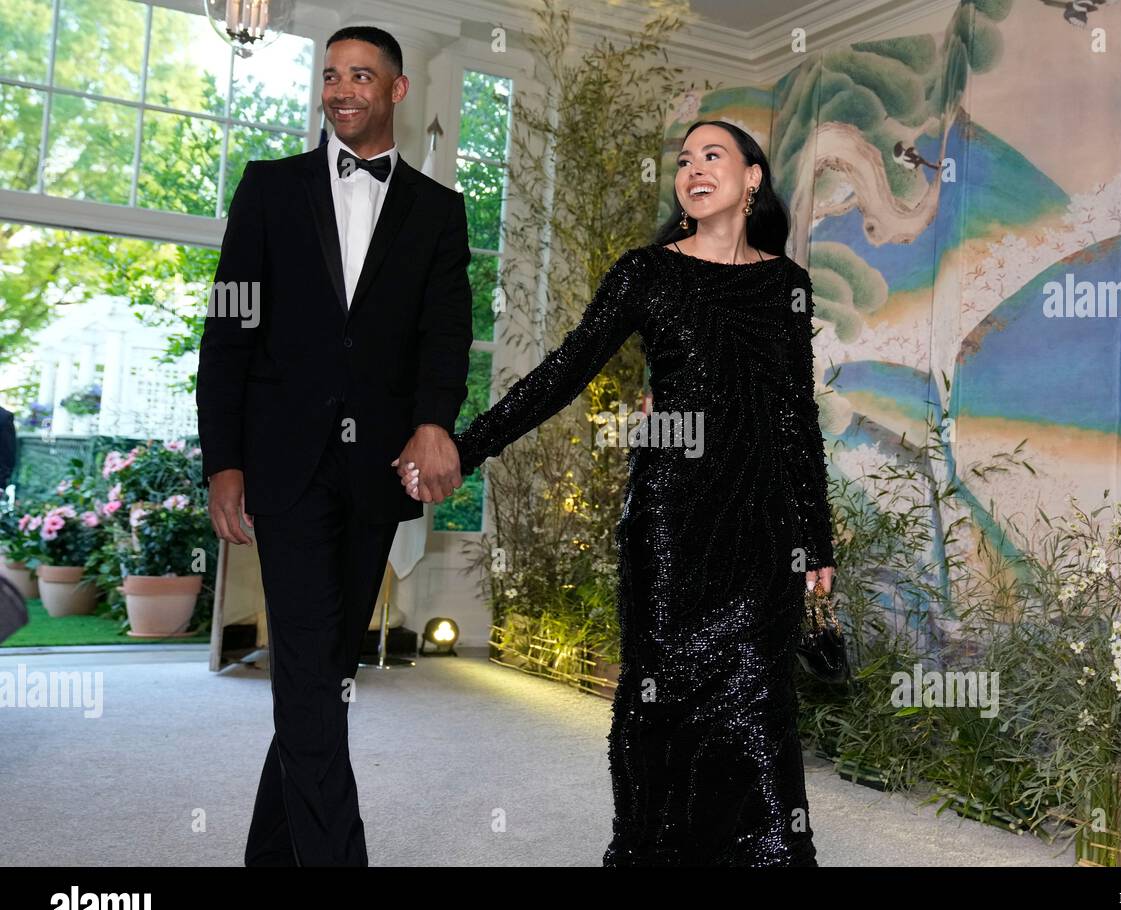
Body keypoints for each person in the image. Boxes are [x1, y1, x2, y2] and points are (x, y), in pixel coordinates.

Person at [395, 119, 837, 865]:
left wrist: (815, 538)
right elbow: (562, 373)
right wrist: (466, 447)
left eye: (713, 156)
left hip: (762, 532)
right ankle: (650, 852)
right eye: (684, 160)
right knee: (658, 703)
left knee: (761, 711)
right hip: (672, 526)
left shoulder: (787, 286)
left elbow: (797, 419)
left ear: (753, 177)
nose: (693, 170)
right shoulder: (646, 273)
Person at [196, 25, 473, 866]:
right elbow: (230, 329)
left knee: (323, 675)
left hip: (377, 470)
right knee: (313, 677)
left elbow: (446, 335)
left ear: (396, 90)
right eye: (329, 76)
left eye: (360, 75)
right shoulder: (269, 190)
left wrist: (435, 418)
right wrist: (224, 461)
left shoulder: (438, 211)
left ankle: (269, 854)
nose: (341, 89)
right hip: (283, 465)